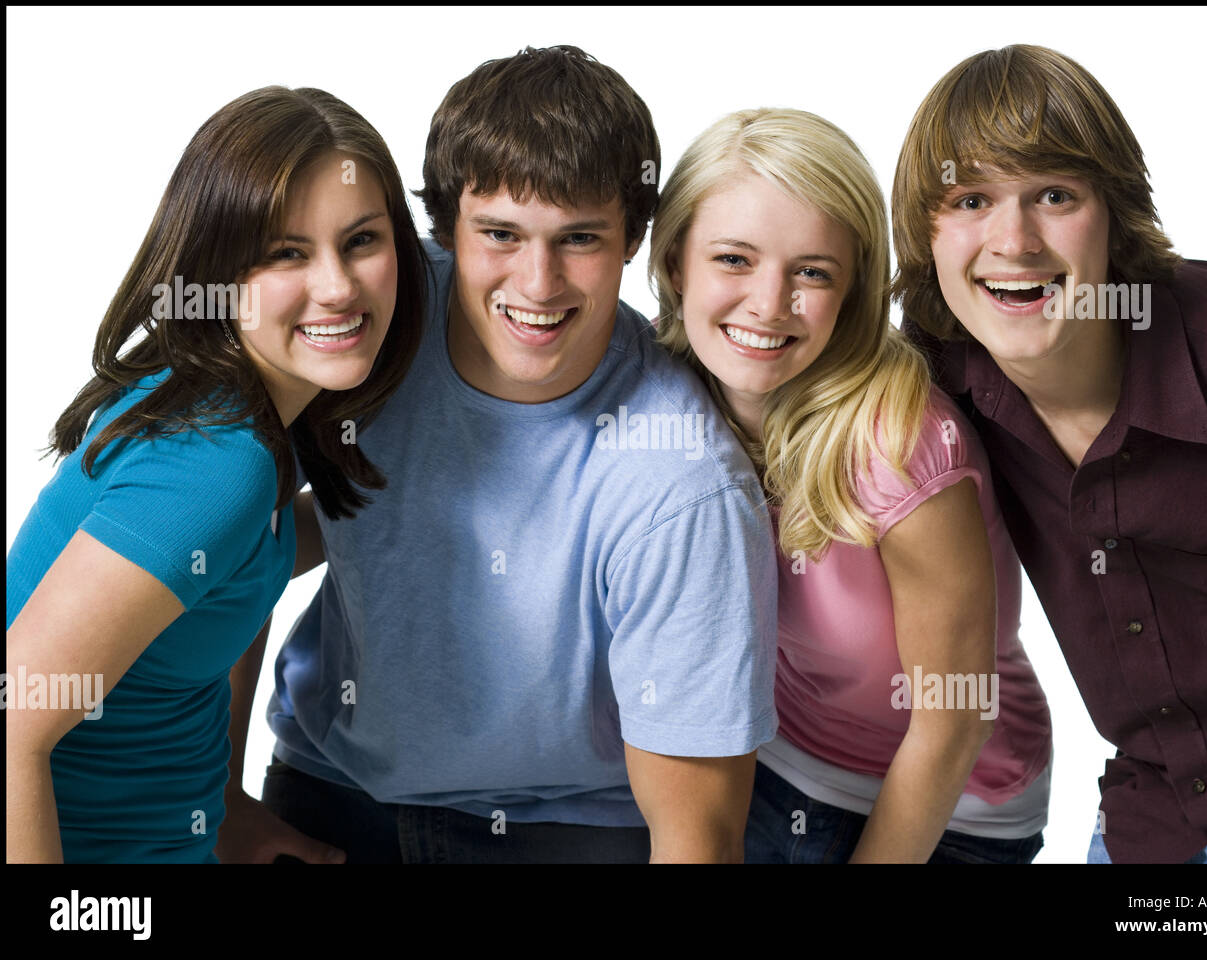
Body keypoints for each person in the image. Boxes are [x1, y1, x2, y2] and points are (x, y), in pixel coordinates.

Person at [216, 45, 778, 865]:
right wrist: (220, 796)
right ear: (444, 229)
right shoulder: (361, 322)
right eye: (502, 234)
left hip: (572, 829)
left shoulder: (684, 483)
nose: (539, 282)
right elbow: (238, 527)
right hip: (331, 789)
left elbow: (696, 837)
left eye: (579, 237)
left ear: (633, 242)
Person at [5, 86, 427, 863]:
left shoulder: (256, 412)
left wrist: (227, 806)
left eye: (361, 240)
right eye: (286, 253)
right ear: (216, 269)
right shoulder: (217, 464)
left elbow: (226, 573)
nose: (337, 286)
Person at [894, 44, 1207, 863]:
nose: (1014, 240)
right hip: (1158, 825)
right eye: (970, 198)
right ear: (924, 234)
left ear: (1113, 213)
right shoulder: (941, 376)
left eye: (1053, 194)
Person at [650, 107, 1052, 863]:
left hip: (956, 804)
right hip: (780, 762)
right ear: (676, 263)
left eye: (811, 272)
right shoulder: (665, 393)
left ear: (853, 288)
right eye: (733, 259)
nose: (769, 305)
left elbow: (953, 721)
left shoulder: (902, 444)